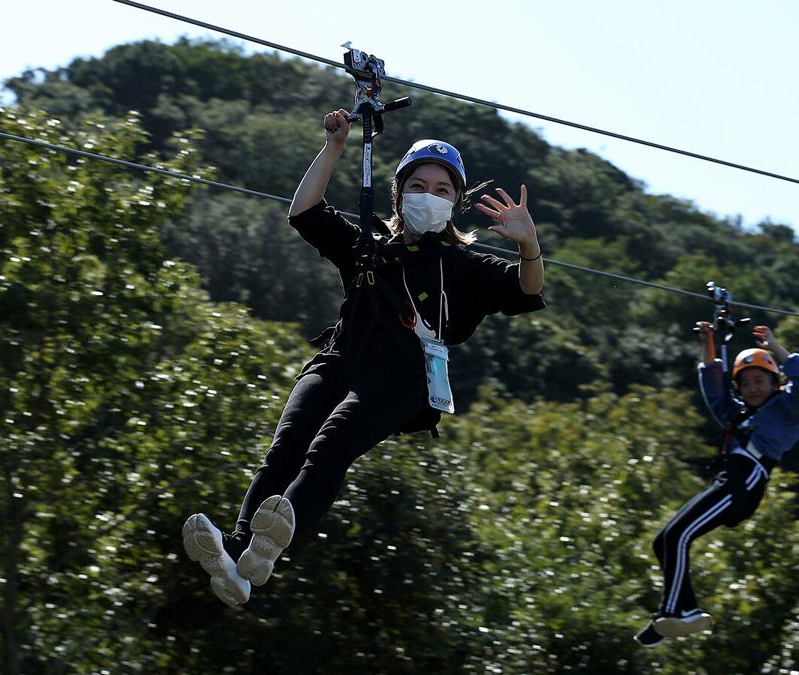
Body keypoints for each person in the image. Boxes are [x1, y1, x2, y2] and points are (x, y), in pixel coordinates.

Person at [182, 108, 547, 606]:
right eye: (418, 186)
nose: (429, 196)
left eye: (442, 190)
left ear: (456, 203)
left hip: (400, 378)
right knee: (285, 449)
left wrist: (529, 244)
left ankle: (268, 545)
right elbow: (304, 212)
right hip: (339, 360)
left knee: (329, 447)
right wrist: (334, 146)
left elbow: (526, 290)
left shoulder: (463, 267)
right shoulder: (367, 246)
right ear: (399, 195)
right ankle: (240, 557)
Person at [635, 323, 799, 646]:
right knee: (663, 540)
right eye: (745, 383)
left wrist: (775, 347)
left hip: (746, 479)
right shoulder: (738, 415)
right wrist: (708, 341)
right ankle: (686, 609)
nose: (752, 388)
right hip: (730, 478)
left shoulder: (787, 410)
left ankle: (672, 612)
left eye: (760, 381)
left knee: (678, 536)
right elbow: (714, 388)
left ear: (775, 383)